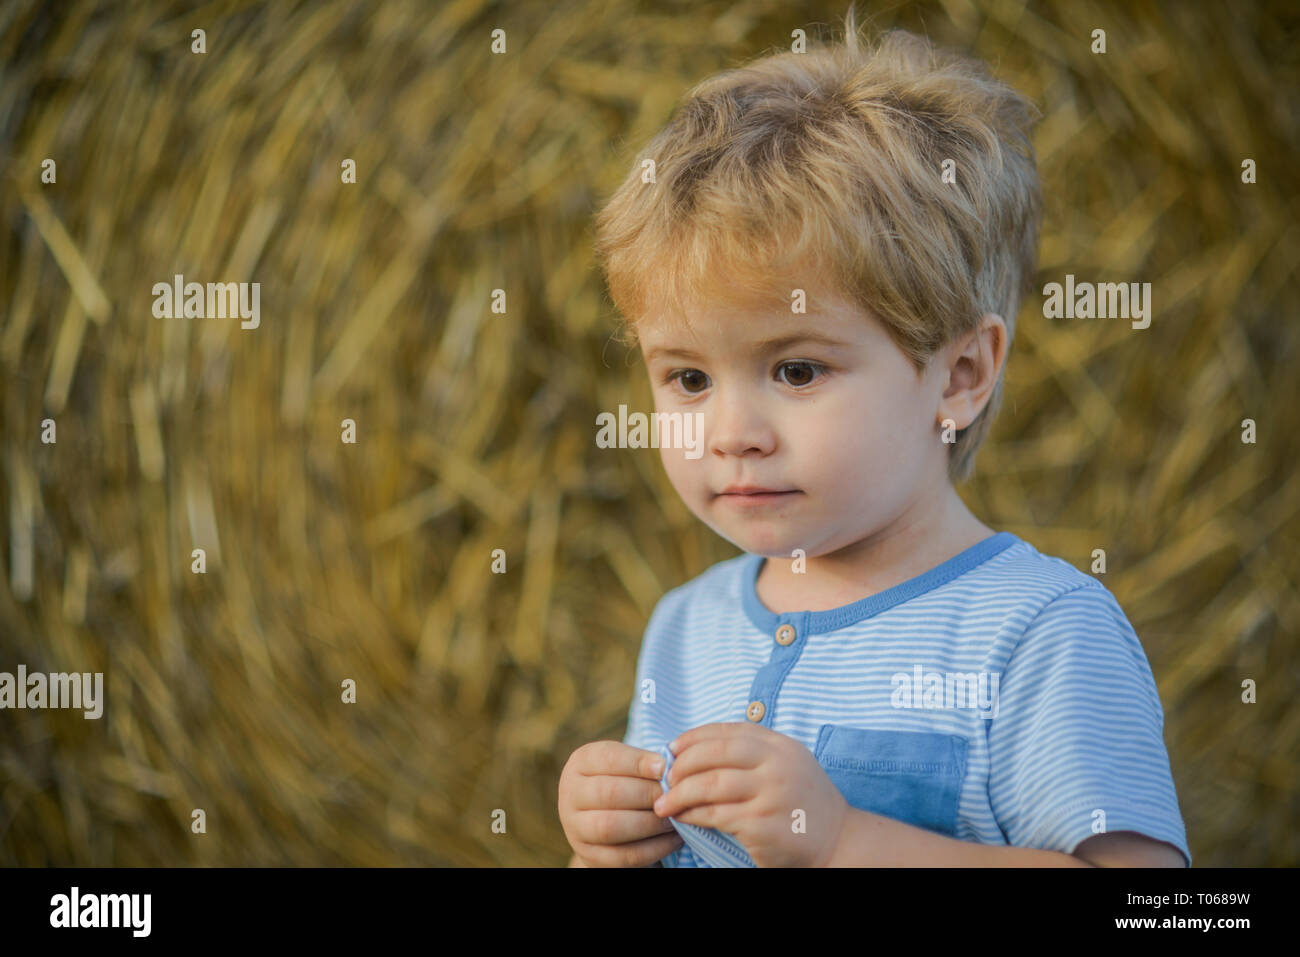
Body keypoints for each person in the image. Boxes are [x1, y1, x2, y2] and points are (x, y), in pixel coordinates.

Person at [558, 9, 1189, 868]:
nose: (732, 434)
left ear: (962, 375)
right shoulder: (684, 629)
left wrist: (846, 836)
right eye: (689, 378)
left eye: (797, 371)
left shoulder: (1038, 632)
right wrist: (607, 846)